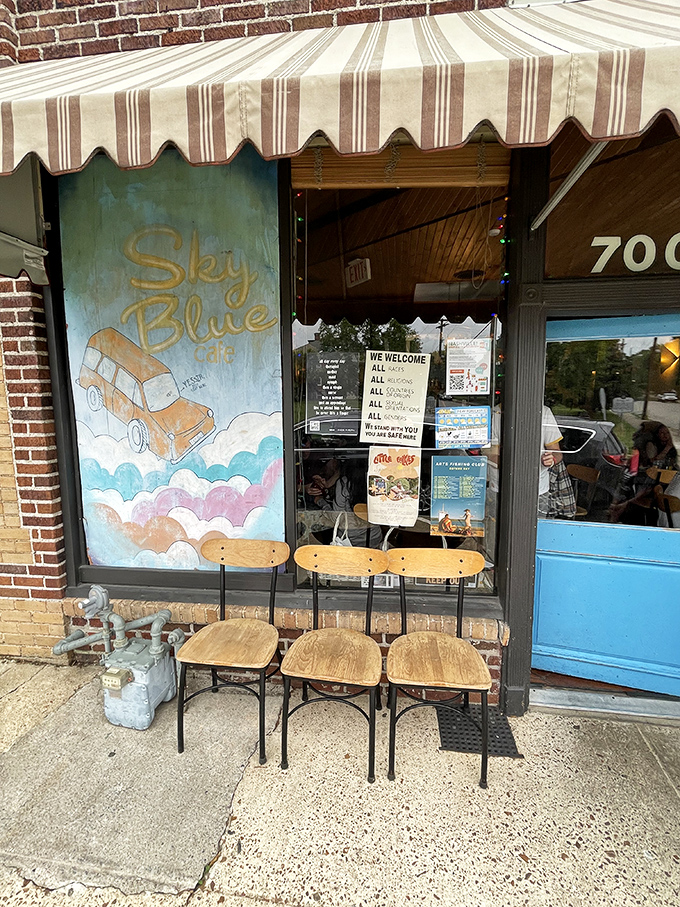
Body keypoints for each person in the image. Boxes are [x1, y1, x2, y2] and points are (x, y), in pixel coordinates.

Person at [610, 421, 678, 526]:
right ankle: (618, 505)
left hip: (664, 483)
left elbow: (662, 462)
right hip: (653, 477)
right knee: (628, 480)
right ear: (657, 434)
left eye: (667, 433)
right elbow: (652, 460)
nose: (665, 435)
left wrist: (668, 448)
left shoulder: (672, 449)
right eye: (662, 433)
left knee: (644, 487)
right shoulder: (654, 444)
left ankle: (622, 506)